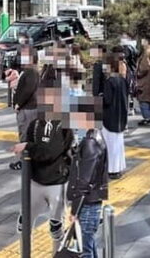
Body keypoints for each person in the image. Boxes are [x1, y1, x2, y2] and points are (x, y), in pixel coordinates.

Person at [11, 59, 74, 250]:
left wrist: (27, 146)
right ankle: (26, 252)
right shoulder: (36, 123)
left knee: (56, 225)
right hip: (37, 181)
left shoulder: (62, 125)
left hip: (56, 180)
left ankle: (57, 252)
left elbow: (49, 151)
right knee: (24, 223)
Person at [67, 126, 108, 258]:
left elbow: (84, 181)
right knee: (88, 245)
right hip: (91, 201)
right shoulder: (93, 138)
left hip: (87, 203)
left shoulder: (90, 143)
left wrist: (75, 210)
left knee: (84, 250)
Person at [98, 48, 129, 179]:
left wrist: (100, 97)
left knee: (110, 144)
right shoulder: (122, 80)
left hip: (110, 117)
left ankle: (112, 169)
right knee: (118, 143)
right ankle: (120, 167)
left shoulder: (109, 81)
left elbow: (107, 100)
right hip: (121, 116)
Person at [9, 43, 40, 171]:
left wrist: (18, 103)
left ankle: (22, 161)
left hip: (27, 108)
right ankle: (25, 159)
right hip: (29, 107)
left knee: (25, 134)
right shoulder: (30, 70)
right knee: (27, 134)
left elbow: (28, 89)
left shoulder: (31, 71)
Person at [135, 36, 150, 126]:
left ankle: (147, 118)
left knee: (143, 99)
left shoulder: (147, 52)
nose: (142, 42)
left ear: (148, 42)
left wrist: (137, 74)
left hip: (145, 80)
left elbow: (144, 67)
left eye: (144, 41)